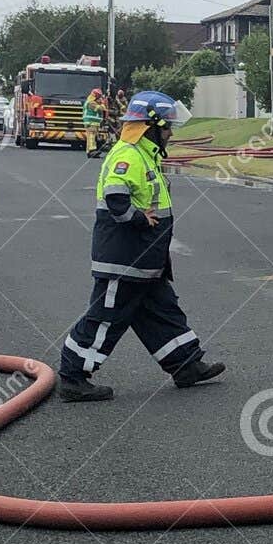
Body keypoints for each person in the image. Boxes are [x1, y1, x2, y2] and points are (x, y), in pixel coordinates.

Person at [58, 90, 224, 403]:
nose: (171, 133)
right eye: (167, 128)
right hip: (125, 259)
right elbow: (115, 197)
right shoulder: (128, 155)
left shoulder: (144, 154)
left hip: (146, 259)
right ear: (151, 126)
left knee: (163, 311)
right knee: (106, 316)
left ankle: (186, 365)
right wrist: (137, 218)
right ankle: (72, 376)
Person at [82, 86, 106, 158]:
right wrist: (102, 103)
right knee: (91, 137)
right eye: (99, 96)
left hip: (92, 122)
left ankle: (90, 151)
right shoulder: (91, 102)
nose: (100, 98)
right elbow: (100, 109)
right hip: (90, 122)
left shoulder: (91, 101)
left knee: (92, 137)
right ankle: (92, 151)